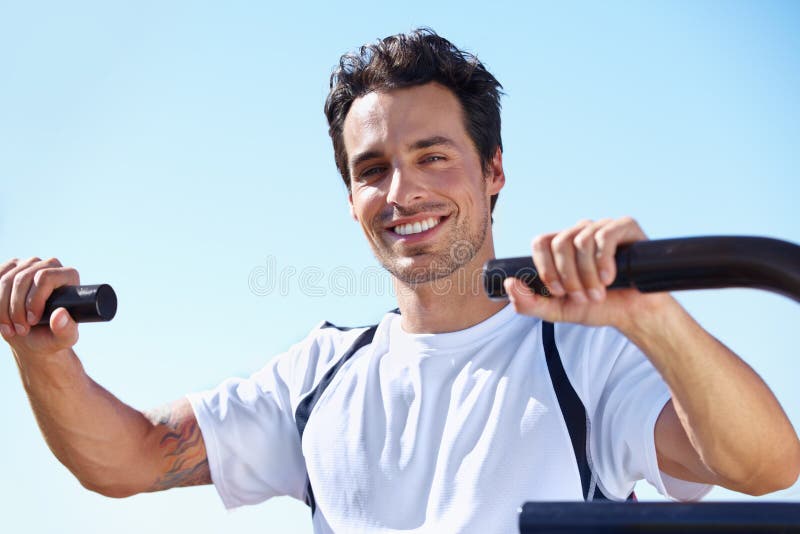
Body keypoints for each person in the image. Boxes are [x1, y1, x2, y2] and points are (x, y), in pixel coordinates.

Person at [2, 28, 799, 533]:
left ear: (492, 172)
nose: (401, 194)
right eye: (372, 170)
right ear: (350, 202)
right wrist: (44, 359)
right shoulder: (319, 374)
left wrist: (653, 319)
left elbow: (764, 466)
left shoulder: (582, 357)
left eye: (432, 158)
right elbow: (131, 458)